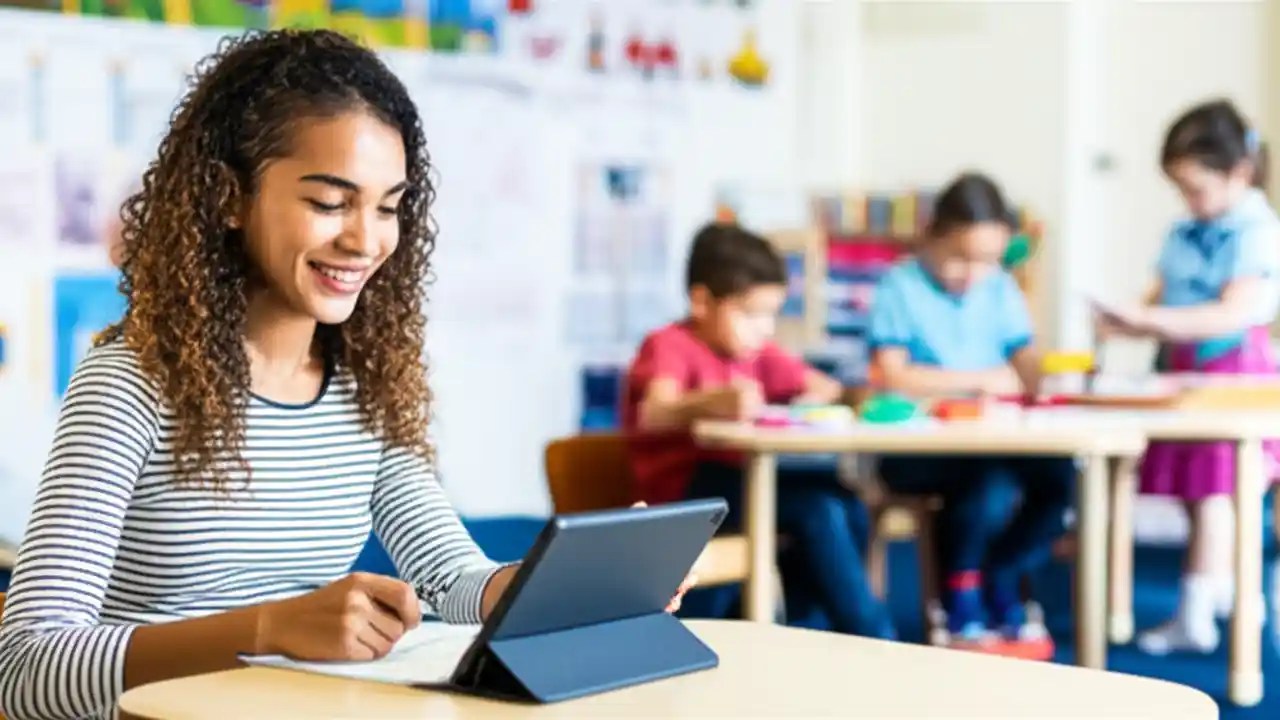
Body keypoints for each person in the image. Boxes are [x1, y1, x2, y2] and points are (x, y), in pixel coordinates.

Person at [0, 30, 689, 720]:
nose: (365, 240)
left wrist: (555, 587)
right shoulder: (130, 383)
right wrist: (267, 630)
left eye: (388, 207)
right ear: (228, 198)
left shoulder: (366, 389)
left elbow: (453, 577)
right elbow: (26, 667)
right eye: (330, 203)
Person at [623, 222, 895, 640]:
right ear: (702, 301)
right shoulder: (669, 344)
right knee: (817, 510)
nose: (765, 327)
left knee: (845, 501)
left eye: (771, 314)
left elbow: (823, 387)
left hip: (740, 483)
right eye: (751, 314)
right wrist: (708, 401)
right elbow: (654, 411)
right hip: (688, 493)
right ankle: (872, 635)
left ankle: (809, 630)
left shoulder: (756, 353)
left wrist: (843, 395)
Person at [1091, 99, 1280, 655]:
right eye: (1181, 189)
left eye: (1197, 188)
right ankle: (1217, 591)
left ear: (1239, 173)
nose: (1188, 200)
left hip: (1234, 373)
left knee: (1220, 492)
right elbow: (1156, 296)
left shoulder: (1256, 231)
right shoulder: (1184, 229)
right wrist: (1123, 318)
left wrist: (1152, 320)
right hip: (1183, 371)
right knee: (1199, 496)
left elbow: (1232, 312)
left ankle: (1202, 609)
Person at [868, 172, 1074, 657]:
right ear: (932, 236)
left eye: (988, 260)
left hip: (994, 438)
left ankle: (1001, 571)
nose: (973, 273)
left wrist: (1047, 377)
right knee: (988, 483)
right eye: (960, 256)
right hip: (919, 448)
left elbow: (1023, 357)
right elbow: (891, 373)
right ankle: (961, 594)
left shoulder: (999, 287)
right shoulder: (900, 285)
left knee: (1061, 479)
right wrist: (979, 380)